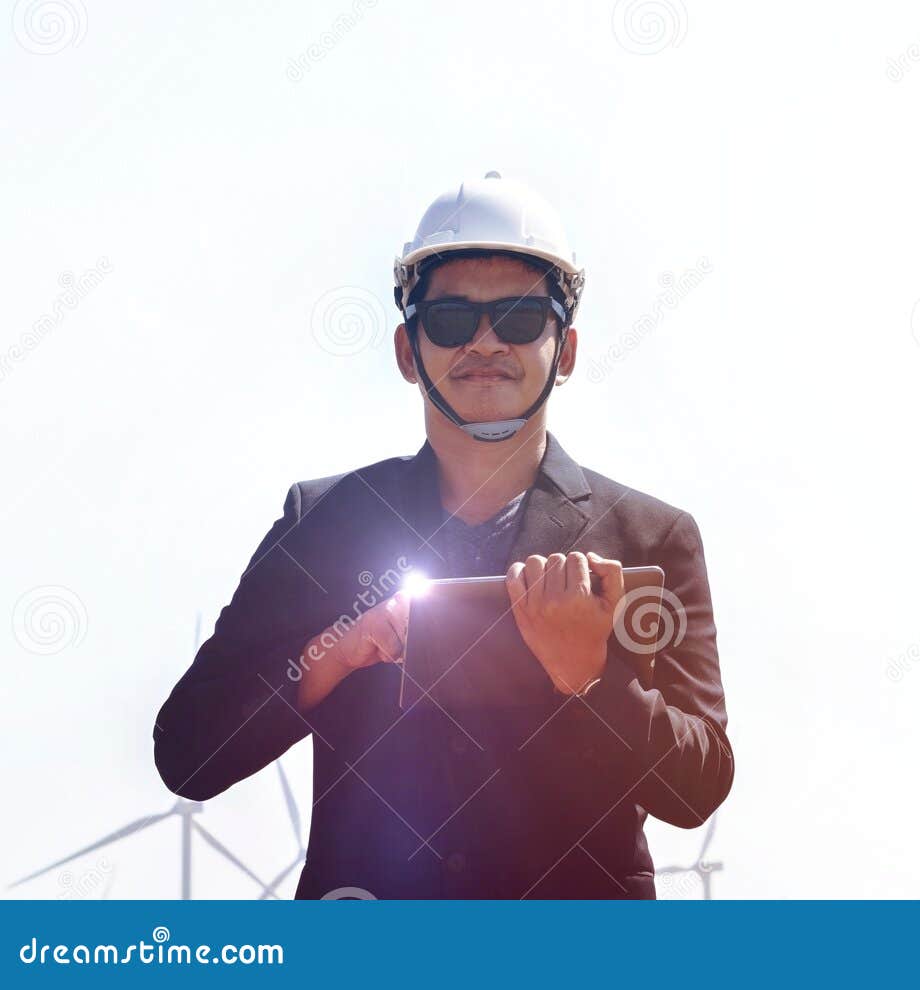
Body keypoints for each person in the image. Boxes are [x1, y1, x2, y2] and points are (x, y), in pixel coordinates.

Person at [152, 172, 733, 899]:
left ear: (567, 350)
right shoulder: (323, 525)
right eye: (452, 320)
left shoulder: (650, 537)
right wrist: (334, 655)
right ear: (407, 351)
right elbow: (189, 752)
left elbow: (697, 787)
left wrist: (590, 680)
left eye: (521, 317)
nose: (485, 342)